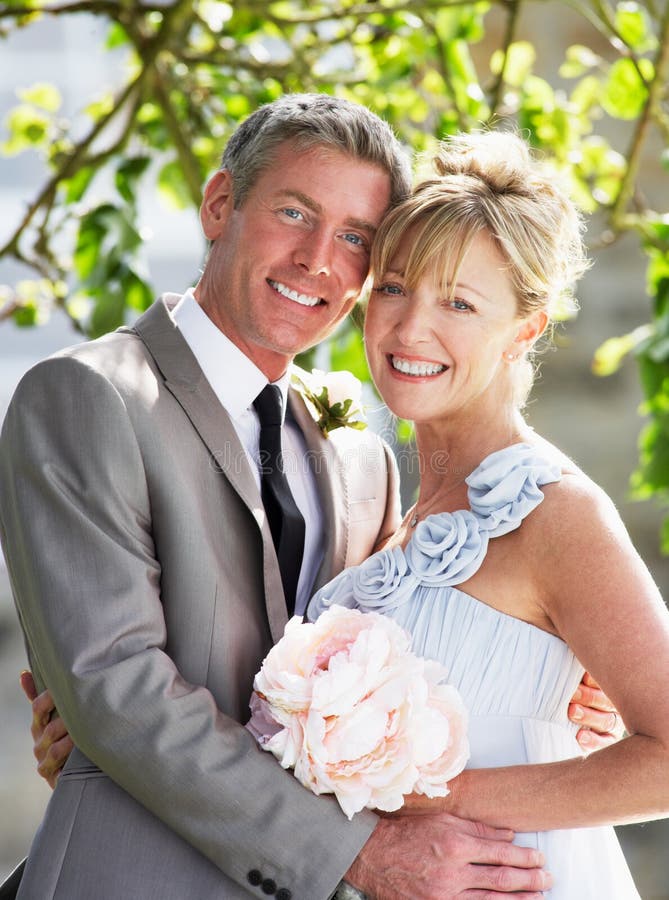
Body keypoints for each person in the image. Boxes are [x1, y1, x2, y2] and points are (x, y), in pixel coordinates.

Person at [1, 95, 619, 900]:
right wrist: (352, 853)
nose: (318, 260)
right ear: (220, 204)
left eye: (355, 237)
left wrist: (562, 669)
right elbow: (116, 687)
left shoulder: (361, 455)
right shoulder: (88, 397)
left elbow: (387, 671)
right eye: (294, 213)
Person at [305, 130, 669, 898]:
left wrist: (439, 798)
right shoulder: (386, 513)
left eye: (459, 303)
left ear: (524, 331)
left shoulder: (554, 514)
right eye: (394, 288)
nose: (408, 330)